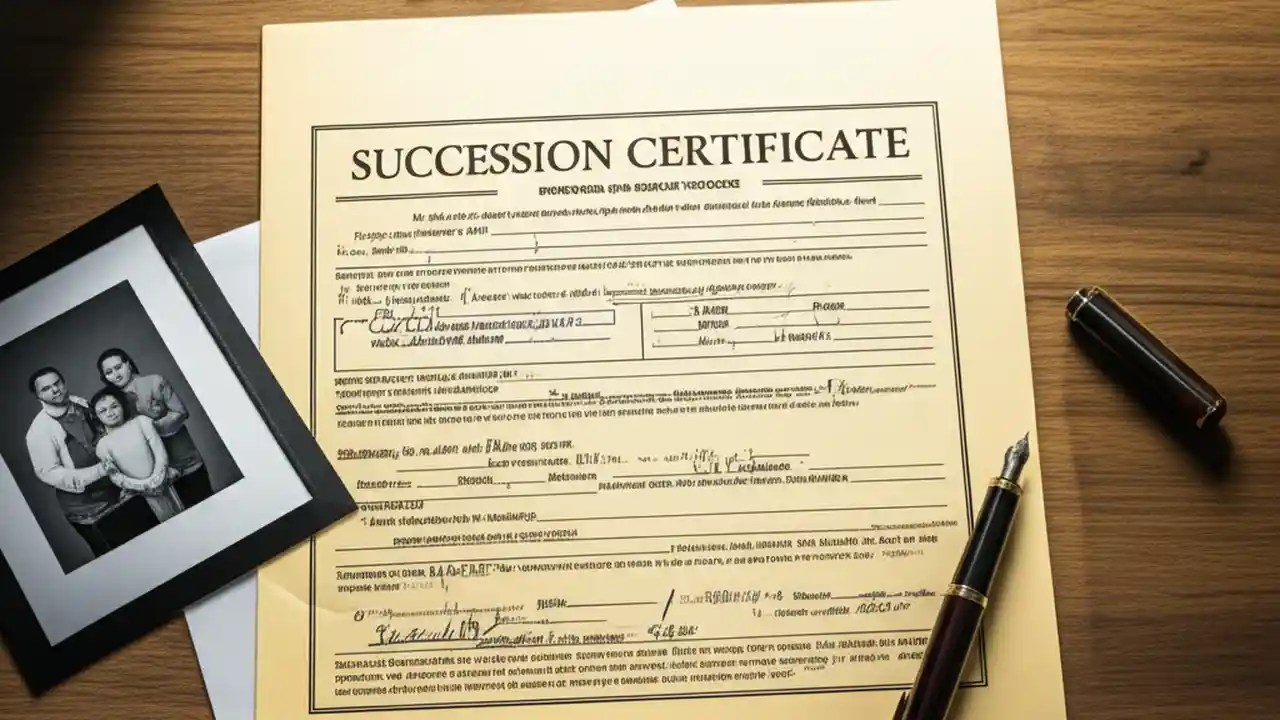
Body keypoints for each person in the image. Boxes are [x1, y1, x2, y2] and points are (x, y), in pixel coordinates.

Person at [23, 366, 133, 555]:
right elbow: (49, 473)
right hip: (88, 510)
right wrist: (101, 470)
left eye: (57, 383)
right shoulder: (38, 431)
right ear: (37, 396)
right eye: (46, 389)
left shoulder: (79, 402)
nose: (55, 390)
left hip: (117, 491)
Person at [97, 348, 211, 506]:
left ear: (128, 364)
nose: (116, 374)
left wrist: (150, 430)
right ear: (105, 378)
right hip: (150, 476)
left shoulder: (154, 382)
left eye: (118, 367)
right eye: (109, 372)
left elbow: (180, 412)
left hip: (182, 460)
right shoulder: (112, 402)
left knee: (205, 504)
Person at [90, 386, 184, 522]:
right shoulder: (102, 445)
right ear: (97, 417)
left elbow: (160, 453)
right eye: (103, 411)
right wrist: (143, 486)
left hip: (162, 480)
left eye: (114, 406)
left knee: (181, 515)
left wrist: (157, 479)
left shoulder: (142, 422)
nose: (110, 413)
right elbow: (116, 476)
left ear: (122, 405)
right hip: (137, 492)